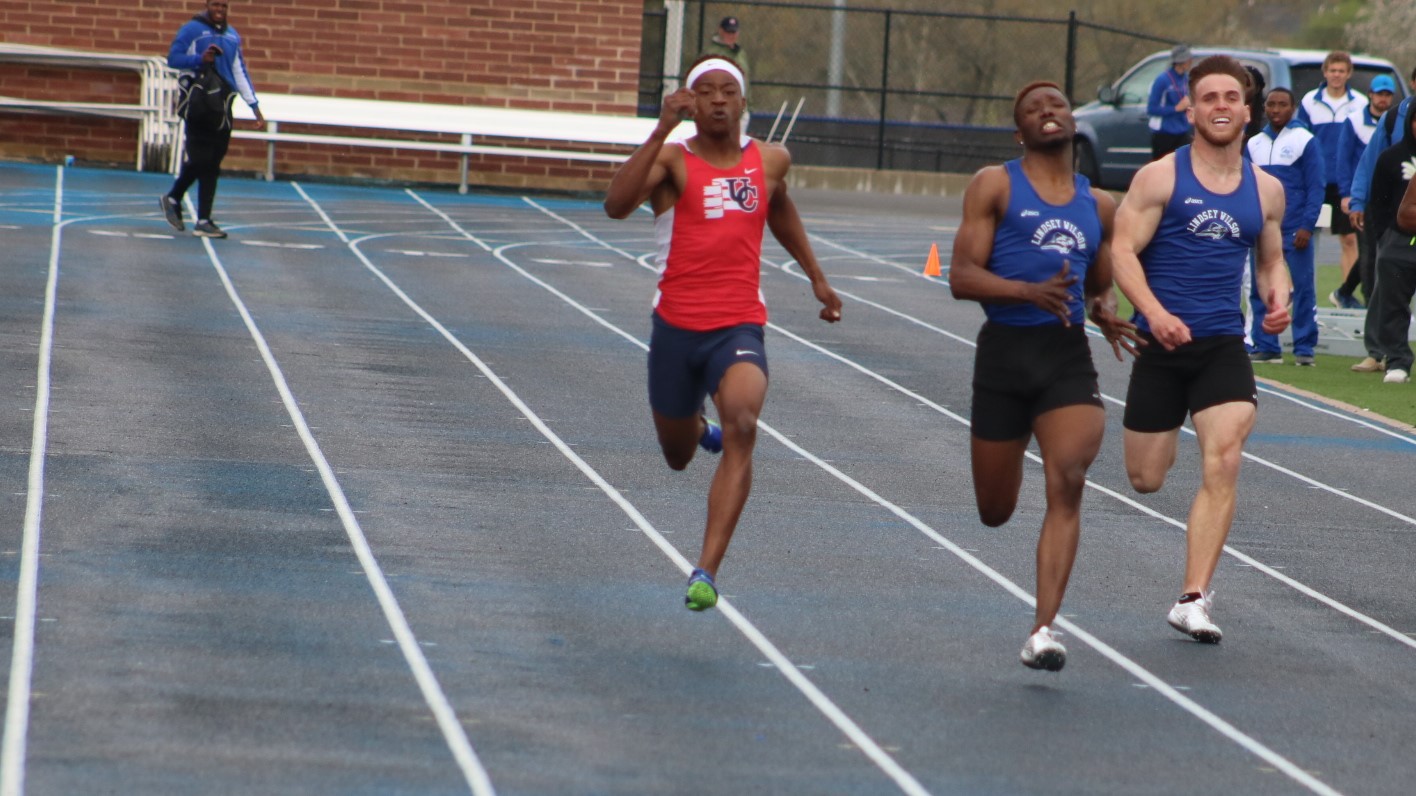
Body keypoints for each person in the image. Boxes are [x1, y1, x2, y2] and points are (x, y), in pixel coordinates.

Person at [603, 56, 842, 612]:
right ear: (689, 103)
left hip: (737, 326)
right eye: (703, 91)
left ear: (741, 102)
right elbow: (615, 206)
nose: (715, 100)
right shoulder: (671, 162)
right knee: (678, 455)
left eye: (726, 91)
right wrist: (661, 127)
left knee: (744, 420)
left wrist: (818, 279)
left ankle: (705, 570)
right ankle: (694, 425)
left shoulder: (771, 160)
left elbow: (779, 210)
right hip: (675, 330)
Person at [949, 81, 1140, 671]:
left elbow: (1097, 280)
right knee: (995, 509)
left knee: (1070, 476)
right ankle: (1014, 479)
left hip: (1064, 356)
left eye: (1055, 104)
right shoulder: (995, 185)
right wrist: (1024, 291)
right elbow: (960, 275)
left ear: (1073, 120)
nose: (1047, 112)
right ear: (1020, 132)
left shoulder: (1099, 204)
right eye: (1033, 109)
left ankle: (1043, 629)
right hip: (1004, 354)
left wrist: (1104, 309)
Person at [1111, 55, 1292, 644]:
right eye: (1208, 97)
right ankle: (1190, 586)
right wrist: (1156, 314)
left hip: (1221, 344)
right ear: (1190, 108)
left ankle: (1193, 598)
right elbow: (1121, 252)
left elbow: (1270, 258)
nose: (1220, 106)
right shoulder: (1160, 177)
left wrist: (1277, 298)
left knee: (1226, 456)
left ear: (1248, 109)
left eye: (1230, 98)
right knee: (1146, 477)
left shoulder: (1266, 190)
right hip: (1161, 344)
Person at [158, 0, 265, 239]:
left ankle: (191, 211)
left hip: (223, 102)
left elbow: (239, 71)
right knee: (201, 158)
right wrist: (199, 59)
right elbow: (173, 59)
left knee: (213, 161)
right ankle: (185, 206)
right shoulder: (191, 30)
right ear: (207, 5)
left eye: (225, 6)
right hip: (198, 100)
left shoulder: (232, 36)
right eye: (216, 5)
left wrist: (254, 107)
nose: (220, 10)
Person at [1245, 87, 1324, 366]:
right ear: (1264, 108)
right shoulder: (1254, 143)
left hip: (1295, 229)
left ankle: (1304, 347)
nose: (1276, 109)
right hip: (1263, 230)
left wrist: (1307, 225)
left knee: (1303, 288)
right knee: (1260, 288)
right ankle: (1267, 345)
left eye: (1282, 105)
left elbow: (1316, 187)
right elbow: (1246, 186)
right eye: (1271, 105)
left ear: (1292, 109)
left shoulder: (1305, 140)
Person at [1347, 83, 1414, 373]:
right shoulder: (1394, 116)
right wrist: (1358, 200)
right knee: (1384, 288)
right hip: (1395, 229)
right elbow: (1371, 162)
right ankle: (1377, 352)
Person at [1298, 51, 1367, 289]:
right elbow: (1301, 139)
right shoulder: (1309, 101)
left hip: (1345, 182)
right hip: (1316, 180)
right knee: (1308, 236)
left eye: (1341, 71)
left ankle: (1345, 296)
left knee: (1348, 239)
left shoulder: (1359, 103)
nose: (1336, 75)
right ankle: (1307, 291)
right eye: (1332, 70)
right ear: (1325, 72)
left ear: (1348, 74)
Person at [1332, 74, 1398, 309]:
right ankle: (1371, 304)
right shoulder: (1354, 121)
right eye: (1379, 94)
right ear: (1370, 94)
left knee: (1382, 249)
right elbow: (1345, 160)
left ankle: (1344, 291)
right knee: (1369, 252)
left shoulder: (1395, 120)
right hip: (1365, 196)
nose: (1383, 99)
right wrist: (1348, 195)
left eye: (1387, 95)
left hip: (1390, 198)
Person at [700, 17, 750, 136]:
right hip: (720, 109)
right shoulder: (712, 53)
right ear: (721, 31)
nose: (731, 36)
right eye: (728, 32)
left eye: (733, 32)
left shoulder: (740, 53)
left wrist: (747, 104)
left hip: (741, 108)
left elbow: (746, 80)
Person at [1148, 44, 1194, 160]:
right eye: (1188, 59)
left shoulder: (1186, 78)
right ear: (1181, 62)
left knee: (1183, 167)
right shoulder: (1162, 80)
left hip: (1183, 131)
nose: (1190, 61)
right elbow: (1151, 109)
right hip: (1164, 133)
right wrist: (1176, 108)